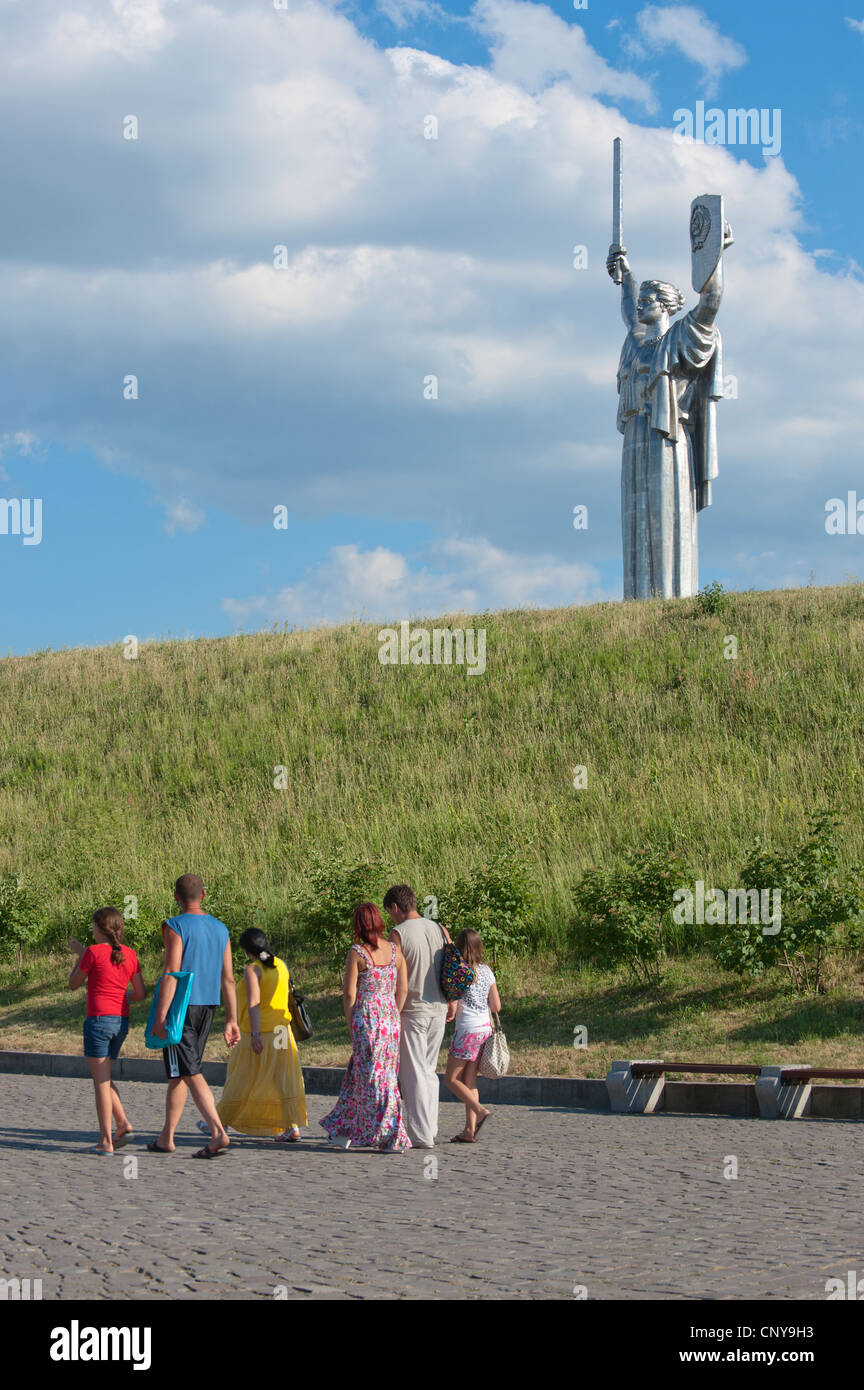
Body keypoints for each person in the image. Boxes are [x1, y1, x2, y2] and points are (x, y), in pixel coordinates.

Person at [148, 873, 240, 1158]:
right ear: (203, 895)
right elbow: (228, 978)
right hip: (208, 1006)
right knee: (179, 1073)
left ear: (175, 897)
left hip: (181, 1007)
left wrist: (162, 1015)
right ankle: (167, 1137)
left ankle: (217, 1132)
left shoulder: (174, 926)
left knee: (190, 1071)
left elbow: (171, 973)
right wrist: (231, 1019)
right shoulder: (220, 928)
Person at [320, 902, 411, 1152]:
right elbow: (402, 989)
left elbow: (349, 995)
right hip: (390, 1019)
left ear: (359, 926)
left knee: (372, 1077)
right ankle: (345, 1129)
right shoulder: (395, 951)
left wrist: (352, 1023)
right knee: (373, 1075)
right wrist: (393, 1013)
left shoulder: (357, 953)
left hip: (367, 1019)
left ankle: (389, 1133)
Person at [206, 928, 308, 1142]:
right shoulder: (281, 964)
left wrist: (254, 1035)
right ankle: (292, 1126)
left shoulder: (253, 970)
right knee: (283, 1078)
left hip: (261, 1031)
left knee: (241, 1076)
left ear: (246, 950)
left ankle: (220, 1123)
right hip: (281, 1030)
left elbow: (253, 1004)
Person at [68, 907, 146, 1154]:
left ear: (98, 929)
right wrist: (120, 996)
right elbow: (141, 993)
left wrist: (80, 955)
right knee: (105, 1077)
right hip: (121, 1021)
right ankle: (122, 1124)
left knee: (100, 1082)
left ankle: (105, 1141)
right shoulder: (131, 954)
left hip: (98, 1020)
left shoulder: (92, 952)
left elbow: (73, 984)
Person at [383, 884, 451, 1148]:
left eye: (390, 911)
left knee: (413, 1074)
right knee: (430, 1070)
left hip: (412, 1009)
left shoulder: (398, 934)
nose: (390, 916)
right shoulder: (439, 929)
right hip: (439, 1006)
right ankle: (430, 1127)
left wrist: (392, 1009)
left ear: (396, 908)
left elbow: (393, 974)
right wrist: (452, 1000)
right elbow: (451, 966)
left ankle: (421, 1134)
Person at [444, 929, 500, 1143]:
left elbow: (452, 999)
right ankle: (469, 1130)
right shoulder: (487, 971)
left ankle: (481, 1111)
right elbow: (496, 1005)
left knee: (451, 1079)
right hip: (485, 1029)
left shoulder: (460, 971)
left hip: (467, 1030)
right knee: (469, 1080)